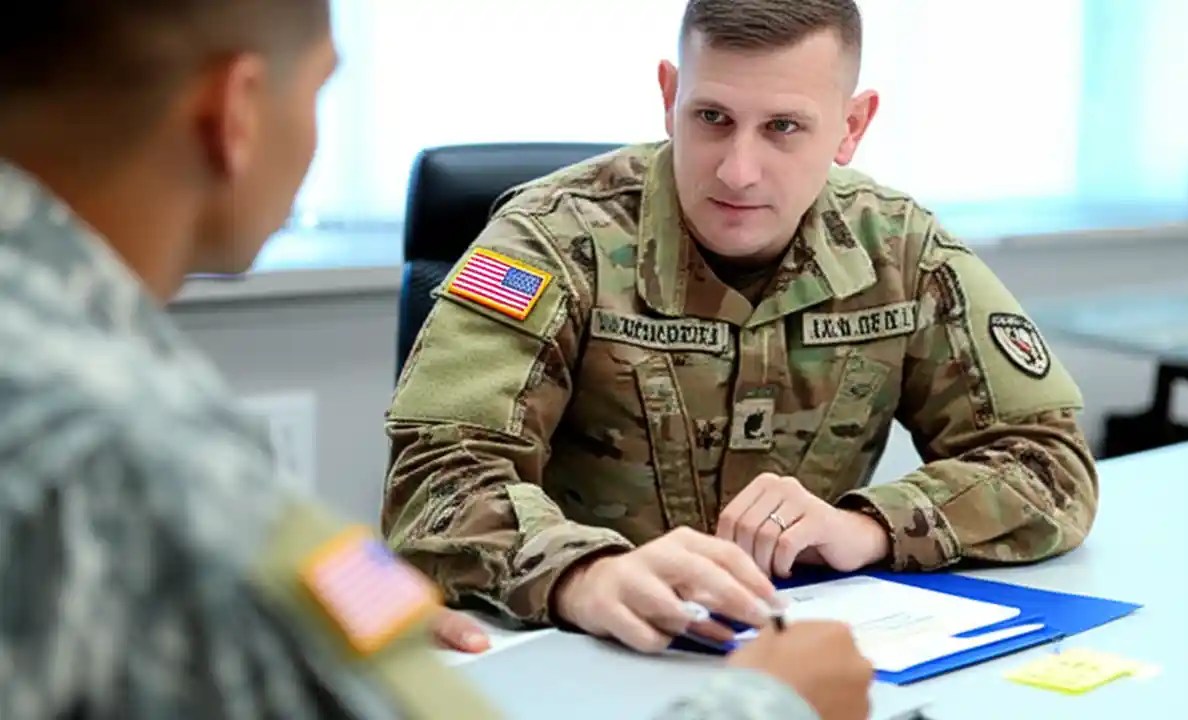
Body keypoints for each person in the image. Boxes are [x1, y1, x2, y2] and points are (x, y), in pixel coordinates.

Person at [0, 2, 875, 719]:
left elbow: (277, 539)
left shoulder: (86, 357)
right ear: (234, 113)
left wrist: (365, 599)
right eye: (319, 92)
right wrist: (768, 703)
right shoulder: (119, 444)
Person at [383, 0, 1100, 654]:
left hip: (795, 648)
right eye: (712, 118)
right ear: (670, 99)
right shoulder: (551, 239)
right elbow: (434, 476)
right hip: (579, 645)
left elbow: (1050, 464)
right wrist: (585, 574)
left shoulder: (898, 249)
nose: (738, 171)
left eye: (783, 127)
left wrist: (874, 526)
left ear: (851, 127)